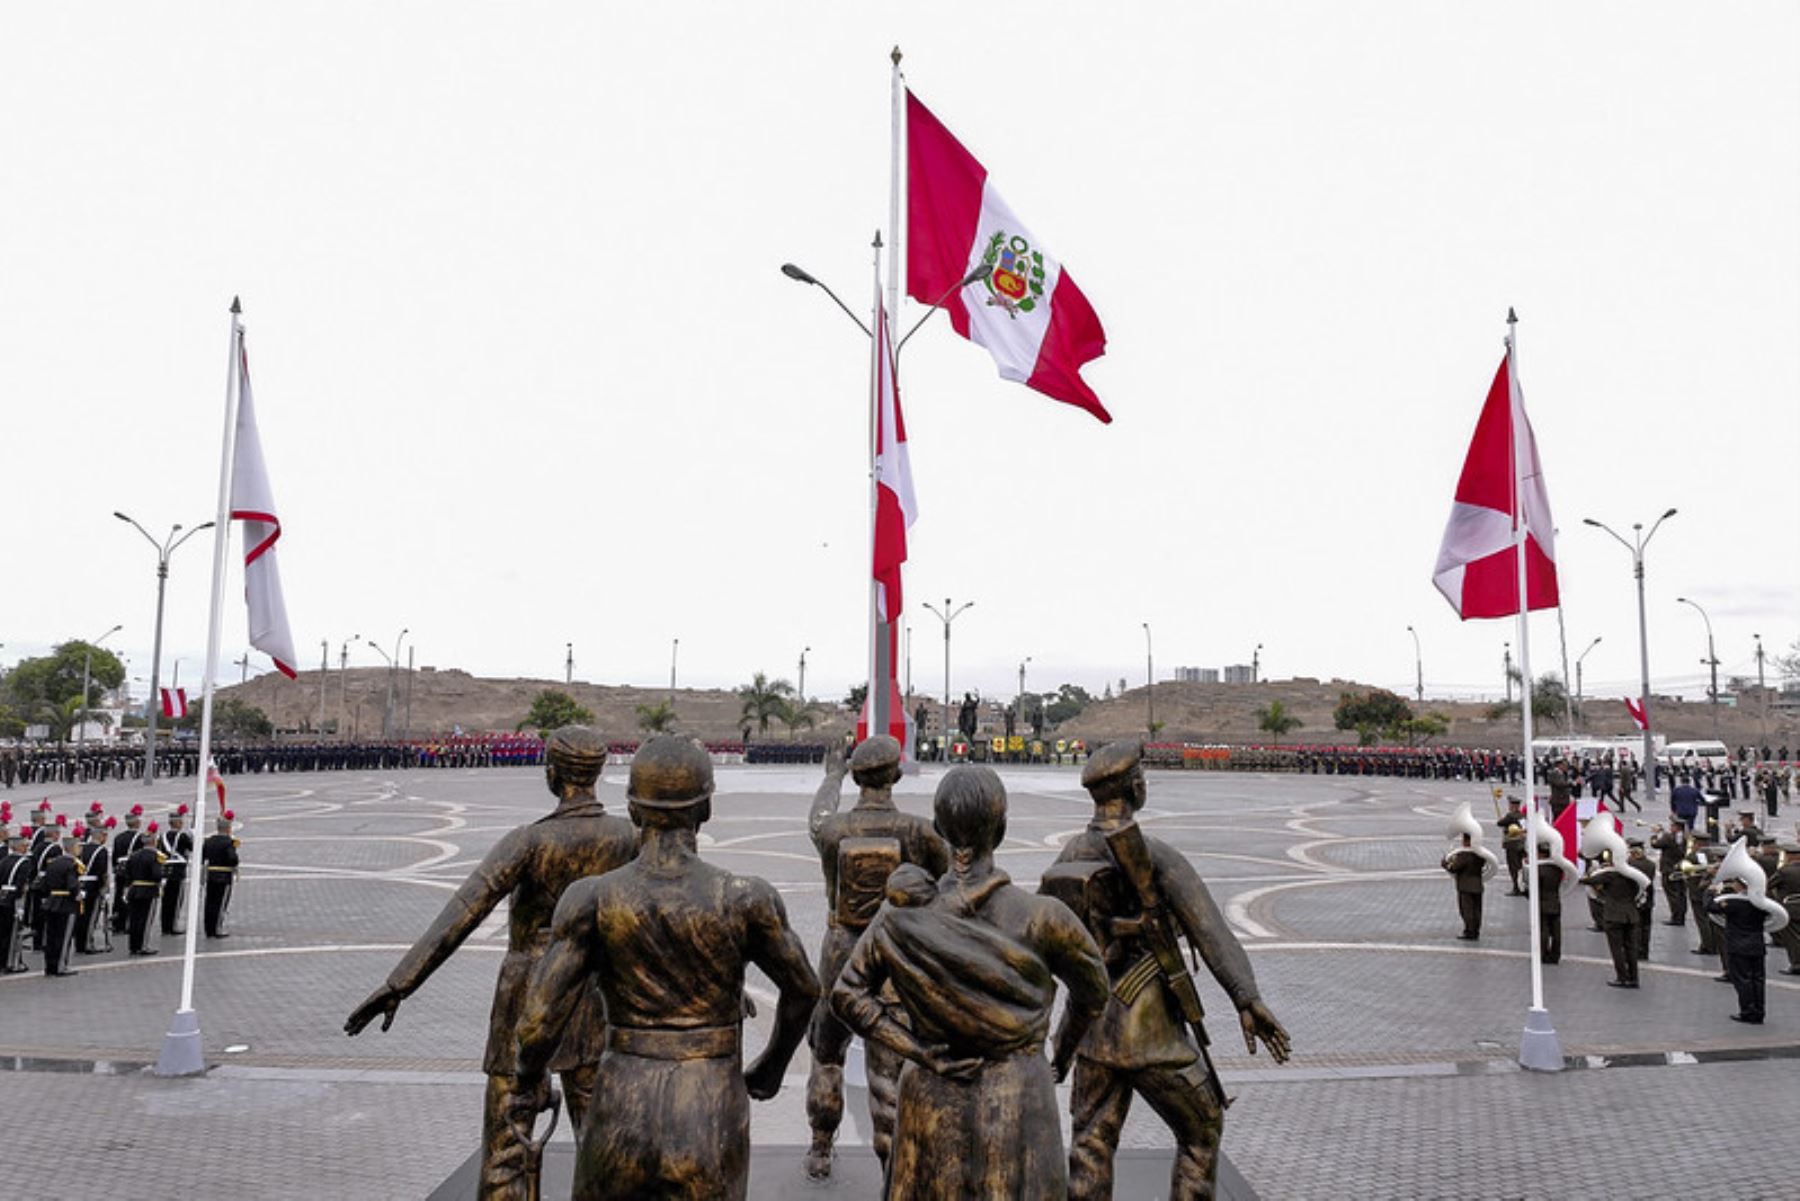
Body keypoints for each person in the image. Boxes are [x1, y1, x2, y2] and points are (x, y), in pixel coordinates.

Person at [511, 734, 819, 1201]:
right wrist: (771, 1067)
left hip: (619, 1102)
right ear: (706, 809)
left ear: (633, 812)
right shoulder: (745, 898)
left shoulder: (591, 900)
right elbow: (804, 990)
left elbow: (537, 1024)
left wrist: (525, 1083)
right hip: (710, 1104)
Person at [347, 726, 639, 1201]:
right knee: (603, 1139)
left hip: (525, 999)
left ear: (552, 774)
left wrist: (400, 982)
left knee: (509, 1142)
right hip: (595, 995)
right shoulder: (629, 836)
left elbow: (463, 912)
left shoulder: (528, 841)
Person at [832, 764, 1110, 1201]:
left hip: (930, 1088)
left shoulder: (897, 918)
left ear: (939, 829)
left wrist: (918, 1050)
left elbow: (847, 995)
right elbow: (1094, 994)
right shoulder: (1045, 919)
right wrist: (1062, 1051)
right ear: (1000, 830)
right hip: (1020, 1095)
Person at [1039, 741, 1290, 1201]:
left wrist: (1060, 1042)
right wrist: (1247, 999)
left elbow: (1051, 944)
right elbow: (1212, 930)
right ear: (1135, 787)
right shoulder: (1156, 854)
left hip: (1094, 1033)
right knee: (1202, 1129)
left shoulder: (1068, 857)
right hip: (1155, 1036)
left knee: (1090, 1146)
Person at [801, 736, 949, 1179]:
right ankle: (892, 1164)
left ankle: (820, 1147)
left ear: (857, 776)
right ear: (896, 775)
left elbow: (818, 816)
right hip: (893, 955)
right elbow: (945, 881)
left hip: (841, 952)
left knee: (827, 1052)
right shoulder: (920, 831)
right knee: (889, 1067)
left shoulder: (832, 830)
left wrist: (832, 774)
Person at [38, 828, 83, 977]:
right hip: (66, 904)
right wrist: (79, 894)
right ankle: (60, 966)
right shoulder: (72, 864)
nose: (80, 849)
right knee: (64, 937)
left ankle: (49, 966)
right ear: (73, 848)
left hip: (52, 902)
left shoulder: (54, 862)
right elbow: (72, 885)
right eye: (78, 846)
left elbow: (44, 884)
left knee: (51, 936)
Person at [125, 822, 164, 955]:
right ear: (153, 841)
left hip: (134, 889)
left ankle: (133, 946)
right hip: (148, 890)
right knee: (146, 920)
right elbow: (157, 875)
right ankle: (143, 945)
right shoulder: (155, 856)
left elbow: (127, 873)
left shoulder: (134, 855)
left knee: (135, 919)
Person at [75, 818, 112, 953]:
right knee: (91, 917)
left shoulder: (81, 848)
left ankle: (79, 943)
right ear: (101, 835)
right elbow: (102, 872)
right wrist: (104, 888)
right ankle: (87, 944)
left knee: (81, 916)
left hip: (80, 884)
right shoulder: (101, 851)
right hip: (93, 887)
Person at [201, 810, 240, 938]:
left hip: (211, 874)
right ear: (228, 828)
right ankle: (217, 928)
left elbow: (203, 856)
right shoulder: (228, 842)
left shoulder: (209, 840)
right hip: (224, 875)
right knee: (221, 903)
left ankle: (209, 928)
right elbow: (232, 859)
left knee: (210, 902)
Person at [1442, 832, 1489, 940]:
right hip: (1477, 885)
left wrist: (1445, 863)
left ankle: (1469, 931)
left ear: (1466, 841)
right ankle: (1476, 931)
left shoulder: (1463, 855)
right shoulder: (1480, 854)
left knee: (1466, 910)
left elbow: (1454, 867)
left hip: (1465, 886)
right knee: (1477, 910)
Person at [1, 827, 34, 973]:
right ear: (18, 847)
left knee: (2, 933)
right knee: (14, 933)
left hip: (2, 898)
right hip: (15, 901)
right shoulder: (24, 862)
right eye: (24, 845)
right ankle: (12, 962)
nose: (26, 848)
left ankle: (2, 961)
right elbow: (22, 884)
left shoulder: (4, 860)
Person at [158, 806, 193, 936]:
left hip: (165, 871)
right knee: (176, 899)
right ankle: (172, 925)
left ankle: (165, 926)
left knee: (166, 900)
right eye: (181, 821)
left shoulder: (162, 837)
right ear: (177, 822)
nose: (182, 823)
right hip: (178, 872)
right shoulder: (182, 836)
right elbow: (193, 847)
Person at [111, 806, 146, 935]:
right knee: (131, 897)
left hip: (120, 869)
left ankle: (117, 922)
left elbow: (114, 856)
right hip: (133, 870)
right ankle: (129, 922)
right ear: (137, 823)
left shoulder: (118, 837)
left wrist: (115, 869)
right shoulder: (140, 838)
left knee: (119, 895)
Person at [1651, 821, 1689, 926]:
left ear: (1677, 827)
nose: (1670, 827)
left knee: (1672, 894)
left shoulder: (1668, 837)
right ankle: (1681, 916)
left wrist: (1655, 834)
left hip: (1668, 869)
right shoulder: (1685, 837)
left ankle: (1676, 917)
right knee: (1681, 894)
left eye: (1672, 826)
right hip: (1680, 868)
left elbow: (1655, 844)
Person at [1497, 797, 1527, 895]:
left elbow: (1500, 823)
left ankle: (1516, 888)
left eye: (1510, 805)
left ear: (1513, 806)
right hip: (1522, 844)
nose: (1509, 806)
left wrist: (1501, 819)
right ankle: (1523, 886)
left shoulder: (1510, 816)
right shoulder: (1522, 815)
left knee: (1514, 868)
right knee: (1521, 867)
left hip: (1512, 845)